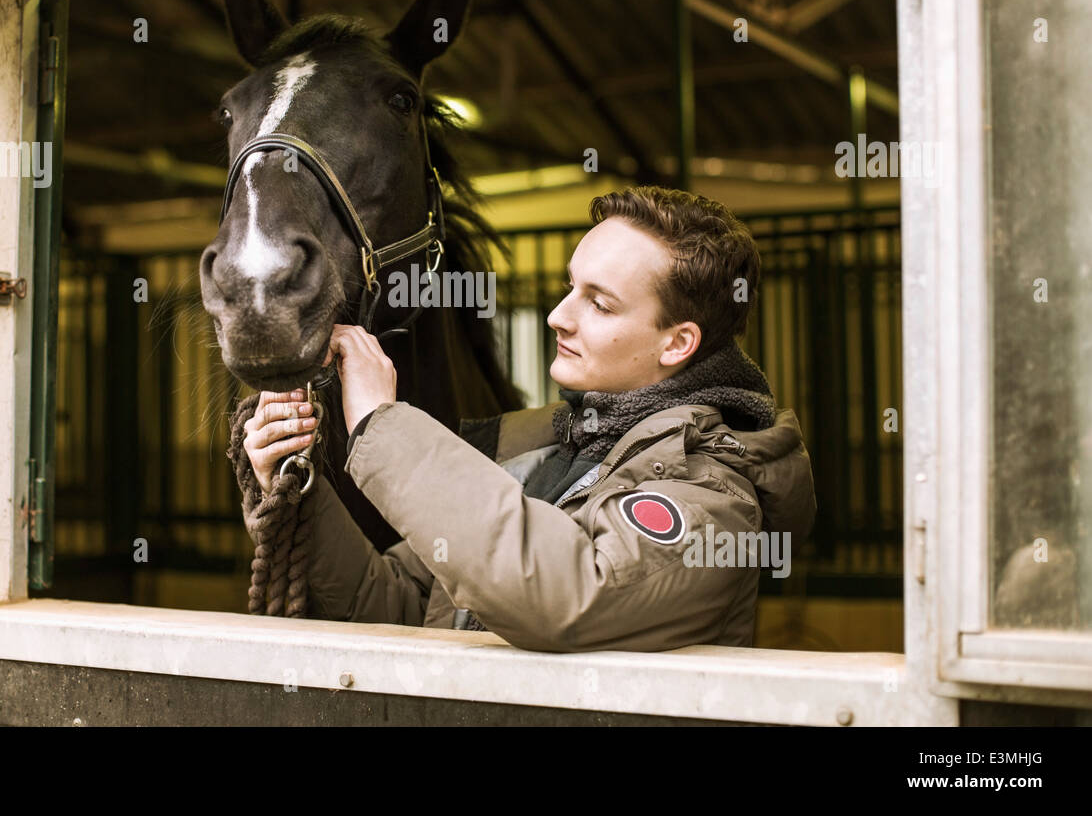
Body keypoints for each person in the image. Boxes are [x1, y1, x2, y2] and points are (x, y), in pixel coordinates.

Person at [241, 186, 816, 653]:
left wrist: (381, 425)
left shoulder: (714, 498)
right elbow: (395, 604)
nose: (557, 316)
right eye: (571, 286)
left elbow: (563, 598)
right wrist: (296, 490)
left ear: (677, 343)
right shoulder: (536, 443)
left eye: (600, 302)